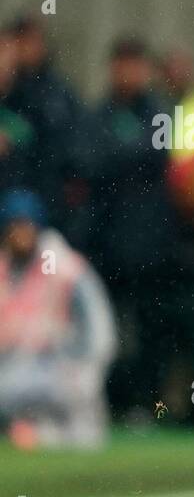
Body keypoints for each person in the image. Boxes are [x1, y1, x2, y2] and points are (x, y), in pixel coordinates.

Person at [0, 190, 116, 448]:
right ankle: (33, 429)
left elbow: (100, 325)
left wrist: (90, 366)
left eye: (25, 225)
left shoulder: (62, 264)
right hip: (21, 366)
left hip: (68, 365)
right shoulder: (5, 268)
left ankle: (67, 429)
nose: (19, 233)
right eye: (14, 226)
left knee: (84, 432)